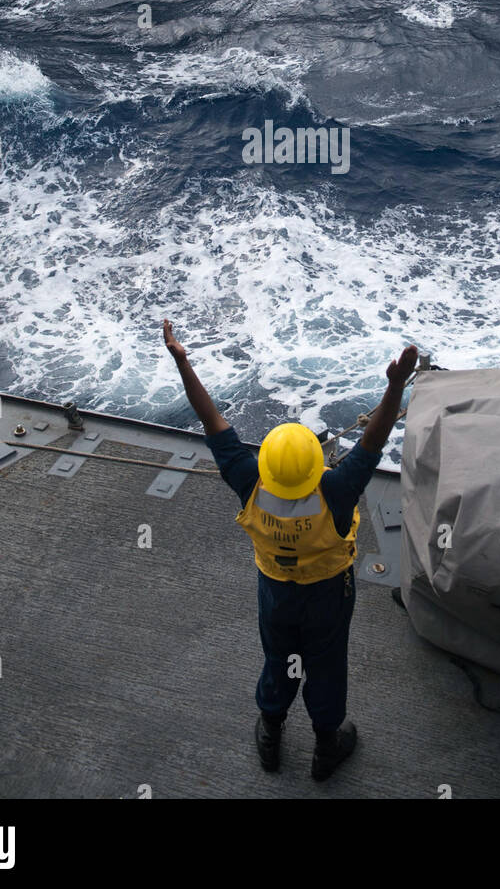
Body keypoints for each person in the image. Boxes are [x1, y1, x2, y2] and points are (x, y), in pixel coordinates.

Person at [163, 317, 418, 782]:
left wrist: (183, 360)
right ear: (316, 464)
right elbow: (373, 441)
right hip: (327, 595)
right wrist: (396, 384)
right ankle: (325, 746)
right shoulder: (336, 493)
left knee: (279, 658)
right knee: (326, 663)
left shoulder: (248, 481)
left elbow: (211, 419)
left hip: (276, 592)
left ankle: (271, 731)